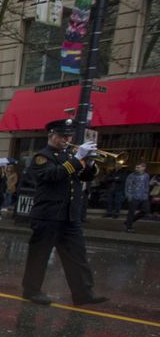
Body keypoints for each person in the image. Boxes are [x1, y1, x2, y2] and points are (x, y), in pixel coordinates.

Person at [21, 118, 107, 306]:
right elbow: (53, 175)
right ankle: (32, 290)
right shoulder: (41, 156)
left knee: (77, 255)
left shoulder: (70, 156)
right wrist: (77, 159)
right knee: (40, 255)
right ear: (51, 135)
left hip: (69, 215)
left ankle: (83, 293)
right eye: (62, 136)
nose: (66, 139)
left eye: (68, 136)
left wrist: (90, 163)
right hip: (48, 215)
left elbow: (82, 176)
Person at [124, 162, 151, 233]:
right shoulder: (131, 176)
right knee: (131, 212)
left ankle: (129, 221)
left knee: (145, 210)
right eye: (136, 167)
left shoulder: (146, 175)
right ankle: (129, 227)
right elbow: (128, 186)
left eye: (138, 167)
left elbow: (146, 185)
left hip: (143, 197)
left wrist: (146, 194)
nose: (136, 169)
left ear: (143, 168)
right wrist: (129, 196)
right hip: (133, 196)